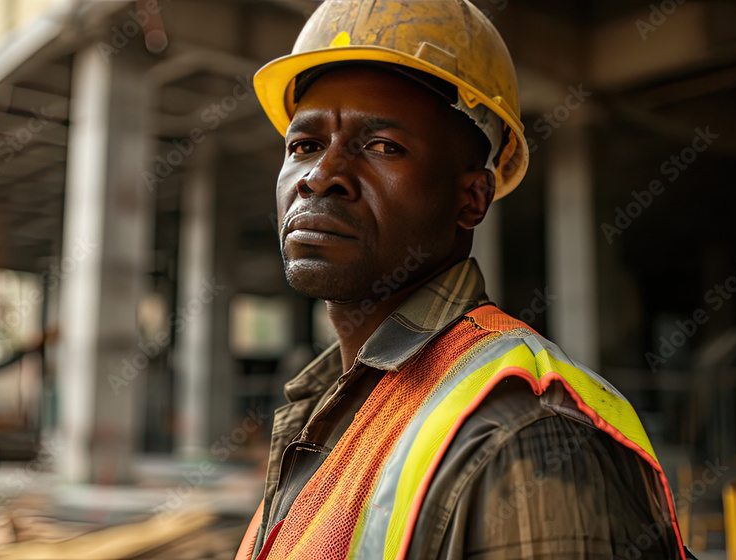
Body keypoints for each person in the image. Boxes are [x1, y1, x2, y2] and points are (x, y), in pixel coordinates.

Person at [235, 1, 693, 559]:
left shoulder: (523, 434)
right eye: (303, 146)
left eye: (382, 147)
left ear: (471, 198)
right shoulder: (333, 406)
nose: (321, 177)